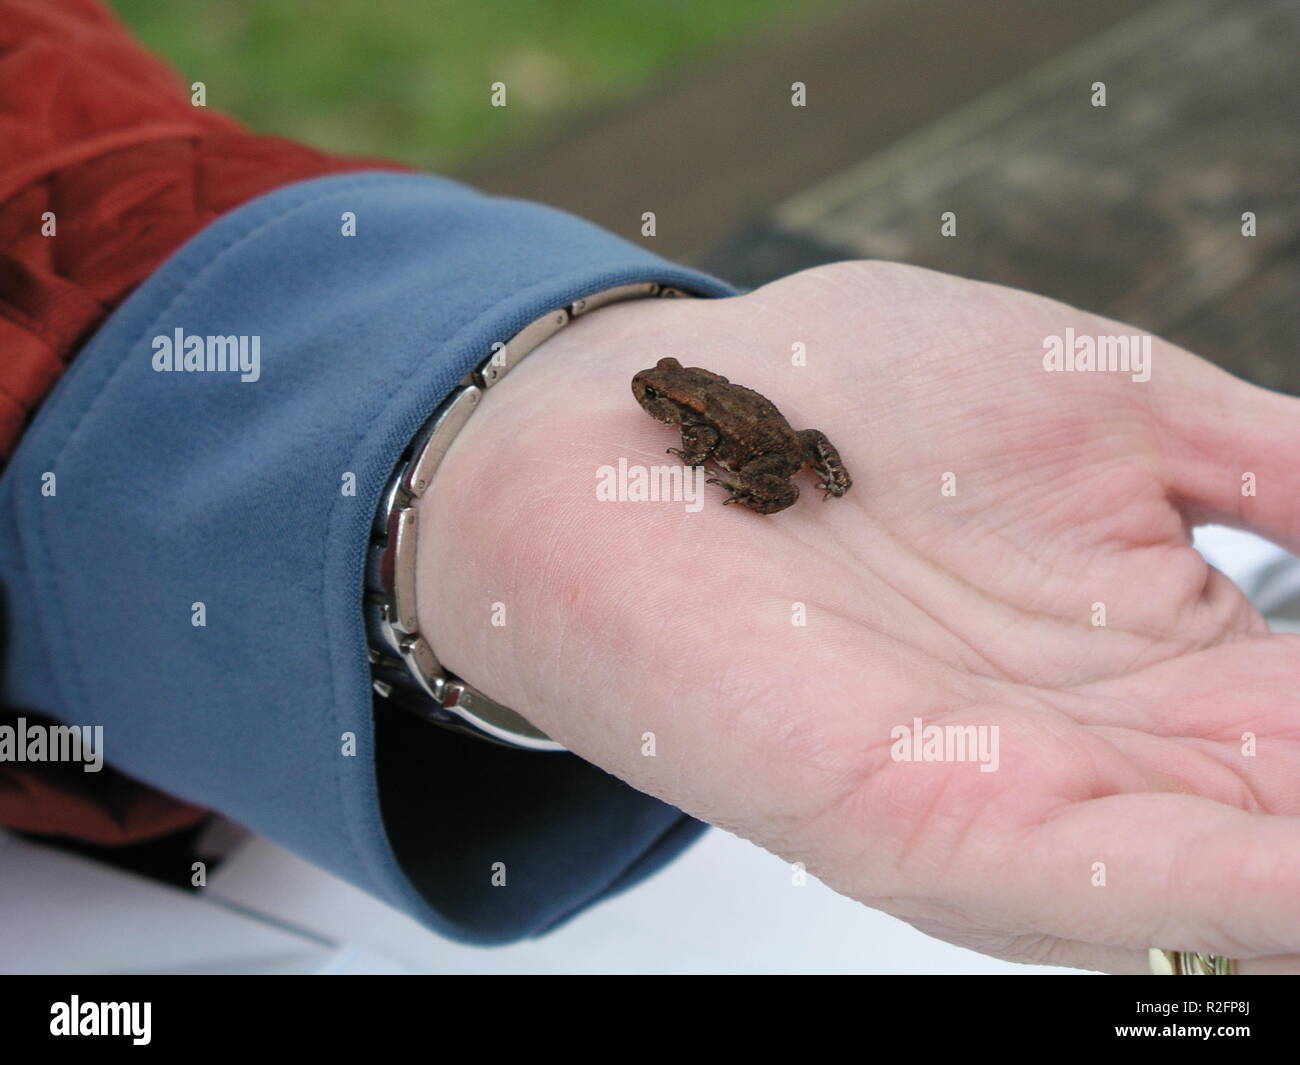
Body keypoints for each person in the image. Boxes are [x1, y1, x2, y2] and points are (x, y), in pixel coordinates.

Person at [4, 0, 1300, 974]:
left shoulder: (695, 419)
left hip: (770, 440)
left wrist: (447, 414)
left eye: (659, 400)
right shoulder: (691, 414)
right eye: (662, 403)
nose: (657, 412)